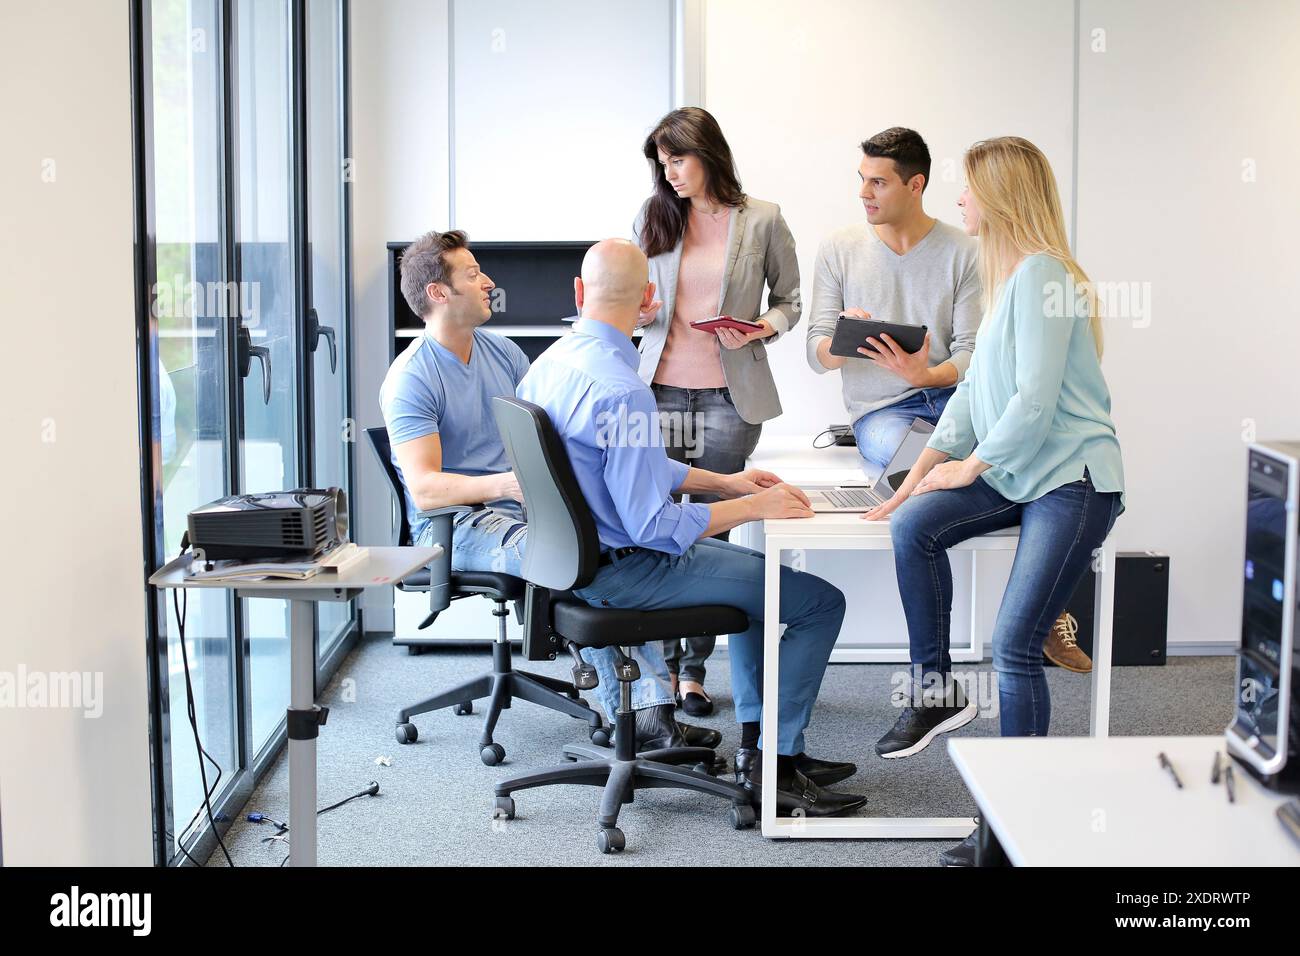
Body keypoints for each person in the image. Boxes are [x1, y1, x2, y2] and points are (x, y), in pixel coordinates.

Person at [517, 238, 867, 817]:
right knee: (817, 602)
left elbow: (627, 463)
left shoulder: (550, 365)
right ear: (650, 300)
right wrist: (756, 508)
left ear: (578, 293)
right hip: (630, 569)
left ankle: (764, 749)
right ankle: (776, 770)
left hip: (571, 567)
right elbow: (654, 524)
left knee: (765, 585)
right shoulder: (621, 389)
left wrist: (728, 483)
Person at [863, 137, 1125, 864]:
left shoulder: (1046, 277)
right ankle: (934, 689)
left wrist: (971, 465)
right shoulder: (1009, 280)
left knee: (1012, 647)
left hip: (1072, 478)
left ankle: (1010, 834)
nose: (959, 201)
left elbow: (1036, 403)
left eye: (968, 188)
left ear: (1000, 196)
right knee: (914, 525)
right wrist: (916, 477)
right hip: (1024, 472)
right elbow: (974, 395)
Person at [379, 229, 719, 751]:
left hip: (525, 505)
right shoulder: (412, 378)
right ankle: (644, 714)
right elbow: (425, 490)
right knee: (572, 549)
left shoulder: (506, 354)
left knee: (608, 541)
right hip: (458, 521)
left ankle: (639, 710)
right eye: (472, 274)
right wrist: (510, 484)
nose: (488, 281)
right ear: (438, 294)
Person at [634, 107, 801, 718]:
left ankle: (694, 674)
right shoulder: (653, 216)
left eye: (678, 158)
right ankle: (658, 673)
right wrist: (634, 313)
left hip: (731, 398)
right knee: (651, 525)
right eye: (661, 162)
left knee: (714, 525)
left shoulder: (762, 220)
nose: (669, 171)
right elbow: (634, 298)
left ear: (707, 153)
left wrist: (761, 326)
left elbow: (791, 301)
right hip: (655, 393)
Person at [805, 127, 980, 476]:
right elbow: (816, 353)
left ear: (915, 185)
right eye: (862, 179)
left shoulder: (964, 251)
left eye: (878, 183)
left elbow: (970, 351)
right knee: (920, 460)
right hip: (882, 414)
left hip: (954, 403)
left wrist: (926, 375)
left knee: (1000, 459)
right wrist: (843, 339)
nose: (863, 193)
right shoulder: (838, 249)